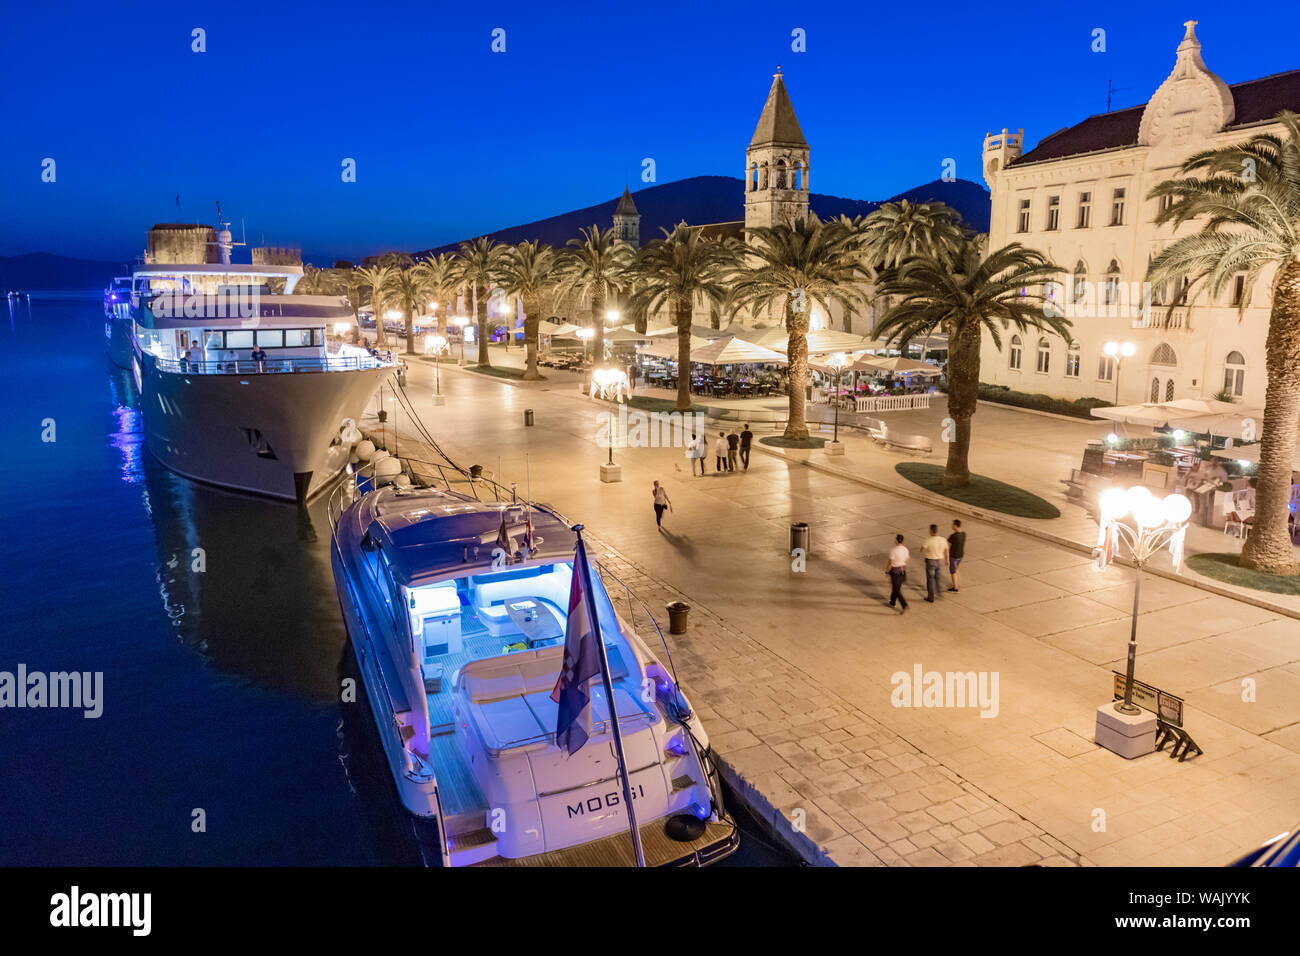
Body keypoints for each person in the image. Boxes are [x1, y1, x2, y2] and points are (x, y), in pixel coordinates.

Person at [921, 524, 949, 602]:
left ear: (930, 531)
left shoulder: (928, 540)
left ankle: (931, 597)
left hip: (930, 561)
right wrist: (947, 560)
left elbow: (922, 548)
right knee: (938, 578)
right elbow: (946, 550)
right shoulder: (943, 539)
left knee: (930, 579)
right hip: (939, 561)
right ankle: (939, 593)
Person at [884, 534, 909, 612]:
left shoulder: (893, 550)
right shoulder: (905, 549)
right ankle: (892, 602)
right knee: (896, 588)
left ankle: (904, 604)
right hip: (903, 571)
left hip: (895, 572)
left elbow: (890, 562)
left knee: (896, 589)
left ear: (896, 540)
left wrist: (887, 570)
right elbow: (907, 561)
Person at [947, 519, 966, 592]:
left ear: (955, 525)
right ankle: (957, 583)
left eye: (952, 525)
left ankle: (955, 587)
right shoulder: (964, 534)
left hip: (954, 556)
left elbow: (947, 546)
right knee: (956, 568)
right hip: (960, 555)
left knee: (953, 571)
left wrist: (946, 556)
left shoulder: (953, 536)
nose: (951, 526)